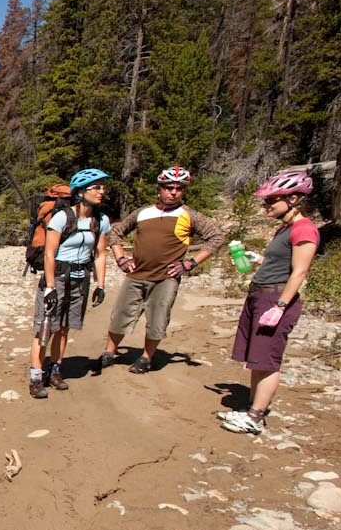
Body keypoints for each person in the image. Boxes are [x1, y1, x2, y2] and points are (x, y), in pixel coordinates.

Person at [98, 166, 226, 373]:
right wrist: (121, 258)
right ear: (159, 188)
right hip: (136, 275)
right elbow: (116, 232)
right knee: (120, 315)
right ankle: (109, 352)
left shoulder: (189, 215)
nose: (173, 192)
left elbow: (217, 237)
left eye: (179, 188)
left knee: (157, 320)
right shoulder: (143, 213)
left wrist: (190, 263)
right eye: (168, 188)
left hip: (166, 278)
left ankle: (146, 357)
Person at [219, 172, 320, 435]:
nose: (266, 205)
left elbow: (299, 271)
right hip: (260, 295)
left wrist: (280, 306)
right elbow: (281, 263)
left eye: (272, 200)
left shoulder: (304, 229)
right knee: (256, 358)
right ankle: (251, 408)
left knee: (267, 360)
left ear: (294, 199)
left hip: (275, 299)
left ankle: (256, 416)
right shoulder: (285, 228)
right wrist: (259, 259)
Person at [28, 168, 110, 398]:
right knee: (45, 328)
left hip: (80, 279)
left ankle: (55, 370)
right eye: (96, 187)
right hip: (57, 277)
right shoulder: (62, 217)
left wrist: (101, 285)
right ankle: (36, 377)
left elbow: (100, 254)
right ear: (81, 192)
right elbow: (49, 254)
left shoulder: (101, 220)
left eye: (103, 187)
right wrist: (50, 287)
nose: (101, 191)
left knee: (64, 327)